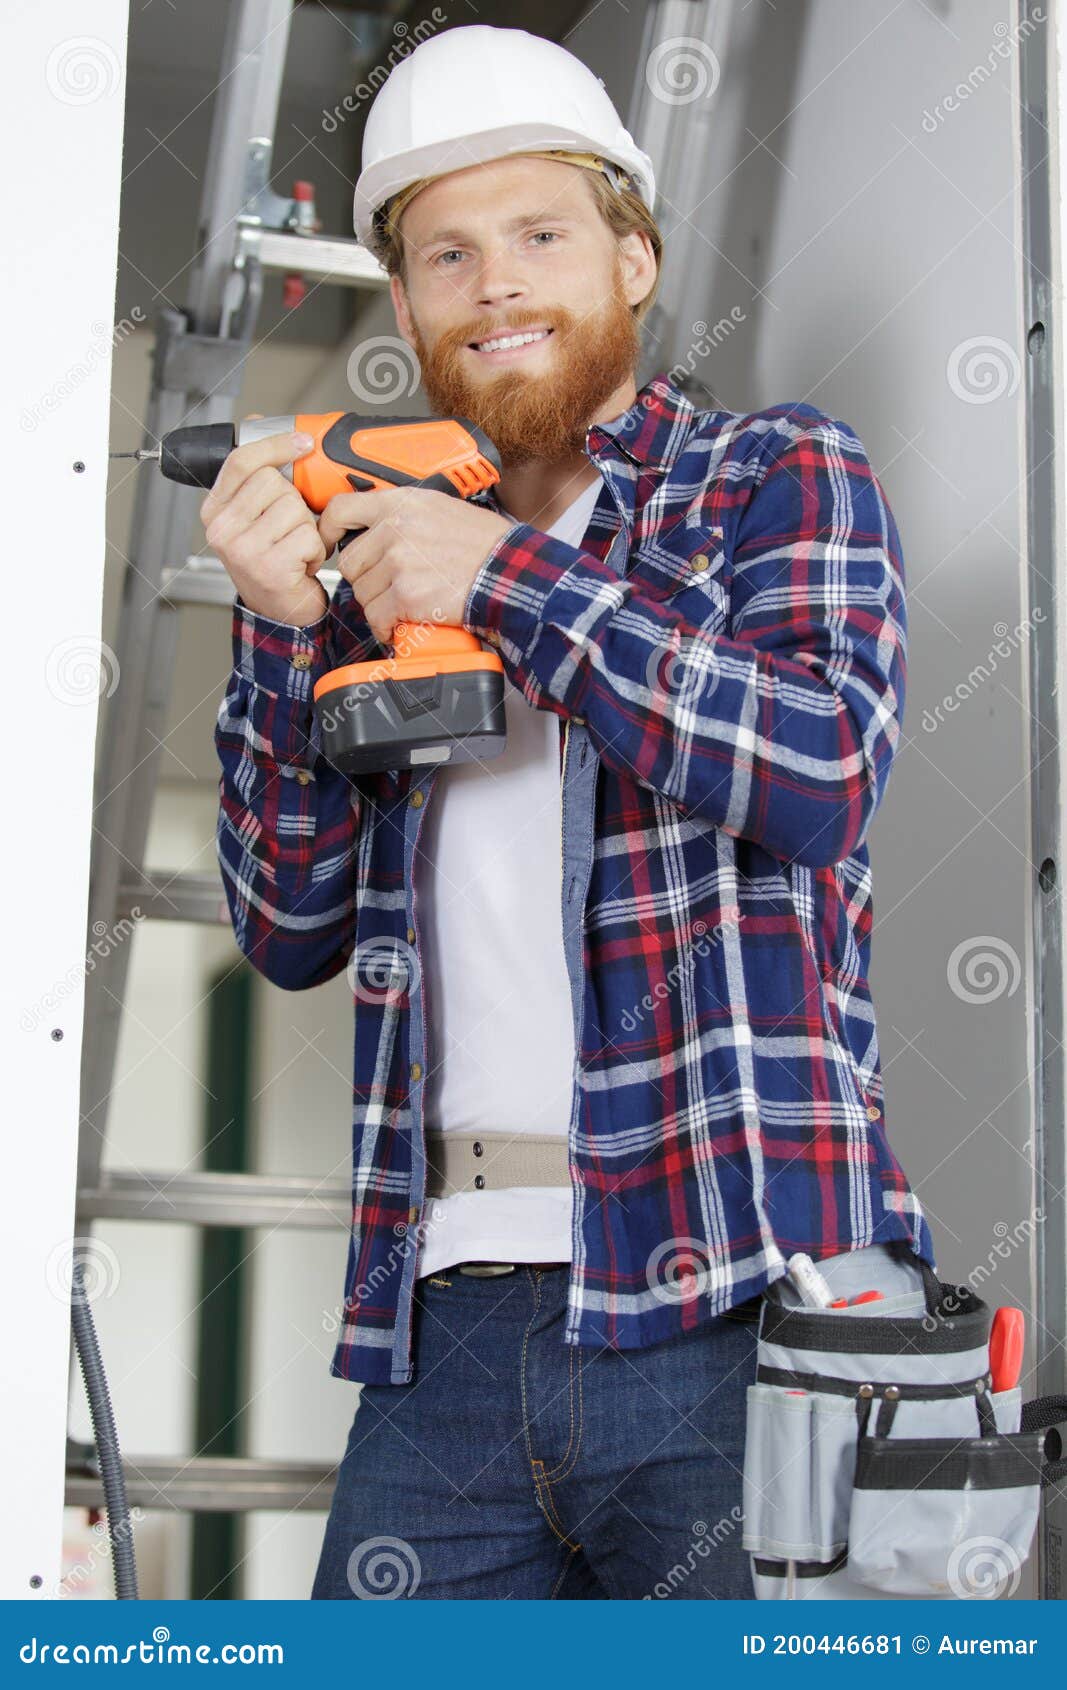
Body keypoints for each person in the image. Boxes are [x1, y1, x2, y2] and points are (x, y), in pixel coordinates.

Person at [205, 24, 935, 1600]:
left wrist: (506, 581)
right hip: (446, 1319)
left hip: (746, 1295)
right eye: (449, 254)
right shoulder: (373, 563)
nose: (498, 285)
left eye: (541, 235)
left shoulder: (773, 477)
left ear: (634, 257)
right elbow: (285, 927)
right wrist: (277, 625)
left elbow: (817, 771)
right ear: (404, 307)